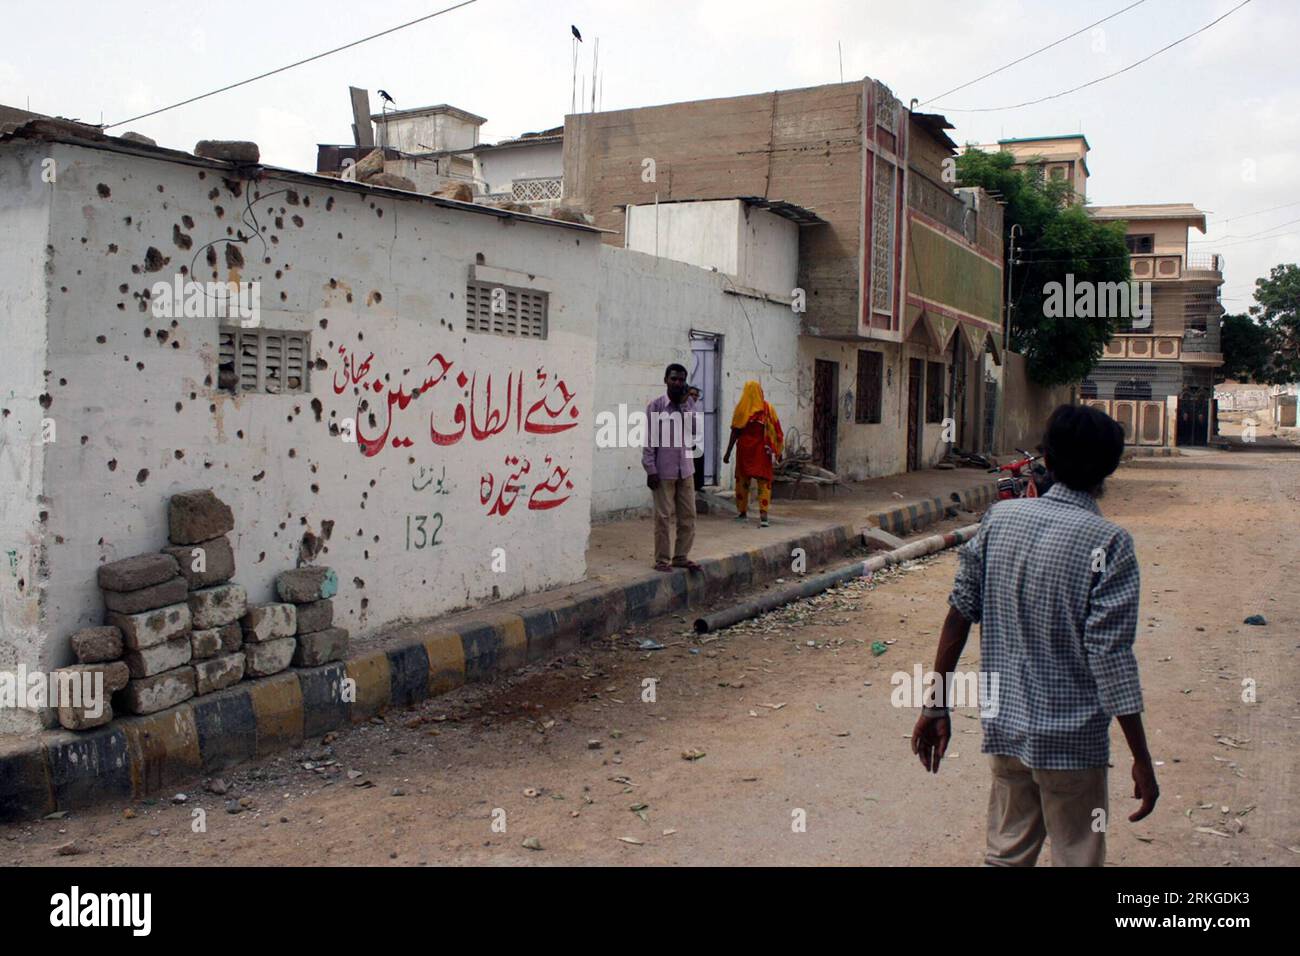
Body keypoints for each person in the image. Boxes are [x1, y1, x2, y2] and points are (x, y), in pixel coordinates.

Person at [911, 404, 1158, 867]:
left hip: (1006, 731)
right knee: (1077, 856)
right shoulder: (1109, 542)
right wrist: (1141, 758)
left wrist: (935, 703)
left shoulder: (1000, 521)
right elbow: (1111, 659)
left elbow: (959, 613)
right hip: (1072, 742)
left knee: (1005, 856)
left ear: (1046, 457)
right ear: (1110, 467)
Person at [643, 364, 701, 572]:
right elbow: (649, 439)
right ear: (666, 380)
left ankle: (680, 556)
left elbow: (695, 431)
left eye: (681, 380)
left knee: (688, 516)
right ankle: (662, 560)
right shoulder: (656, 406)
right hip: (663, 471)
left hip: (685, 469)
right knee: (663, 518)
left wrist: (686, 406)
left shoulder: (689, 404)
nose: (678, 383)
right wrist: (650, 469)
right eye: (674, 379)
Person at [723, 380, 783, 528]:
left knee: (742, 482)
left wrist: (728, 452)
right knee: (764, 483)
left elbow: (735, 431)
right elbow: (777, 429)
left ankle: (742, 513)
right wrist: (777, 450)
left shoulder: (741, 409)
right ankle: (764, 517)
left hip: (744, 450)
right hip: (762, 451)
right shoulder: (767, 409)